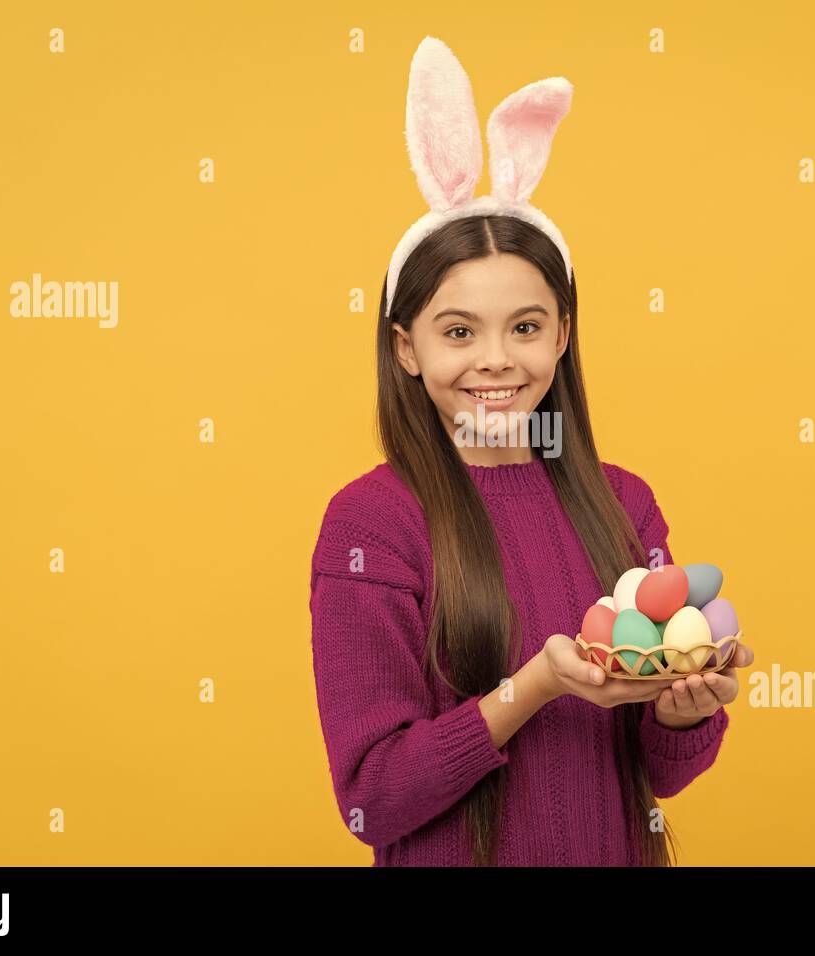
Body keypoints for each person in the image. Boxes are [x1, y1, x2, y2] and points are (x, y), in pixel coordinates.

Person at [308, 36, 753, 866]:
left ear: (563, 336)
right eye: (457, 331)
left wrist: (684, 709)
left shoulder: (623, 503)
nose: (496, 361)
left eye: (525, 327)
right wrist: (533, 688)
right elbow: (371, 799)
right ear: (406, 348)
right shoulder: (370, 522)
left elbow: (661, 774)